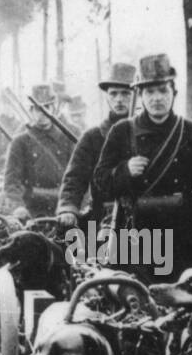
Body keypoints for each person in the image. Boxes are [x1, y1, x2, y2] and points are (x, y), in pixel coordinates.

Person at [93, 53, 192, 283]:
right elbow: (101, 183)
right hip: (132, 239)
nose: (157, 98)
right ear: (140, 96)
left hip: (182, 241)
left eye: (163, 90)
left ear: (174, 93)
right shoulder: (121, 132)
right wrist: (124, 171)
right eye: (150, 92)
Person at [57, 63, 135, 233]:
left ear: (137, 95)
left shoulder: (151, 134)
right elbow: (75, 177)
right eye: (113, 94)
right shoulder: (92, 137)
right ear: (107, 97)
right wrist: (68, 207)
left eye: (126, 93)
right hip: (103, 218)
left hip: (145, 216)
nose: (119, 99)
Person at [3, 84, 75, 218]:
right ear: (31, 111)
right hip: (30, 210)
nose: (42, 113)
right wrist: (18, 207)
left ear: (53, 109)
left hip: (63, 208)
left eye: (46, 107)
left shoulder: (68, 140)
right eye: (37, 109)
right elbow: (12, 182)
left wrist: (71, 208)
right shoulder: (20, 142)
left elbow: (79, 178)